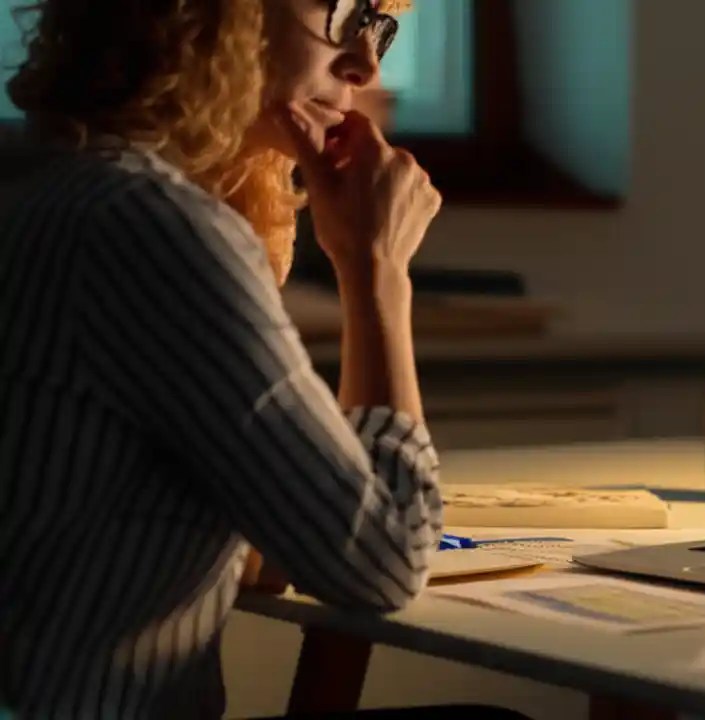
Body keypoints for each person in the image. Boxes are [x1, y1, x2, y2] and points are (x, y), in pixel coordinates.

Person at [0, 1, 521, 717]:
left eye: (379, 25)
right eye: (344, 11)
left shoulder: (45, 183)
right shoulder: (151, 226)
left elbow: (271, 552)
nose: (366, 64)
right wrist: (376, 271)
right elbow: (386, 559)